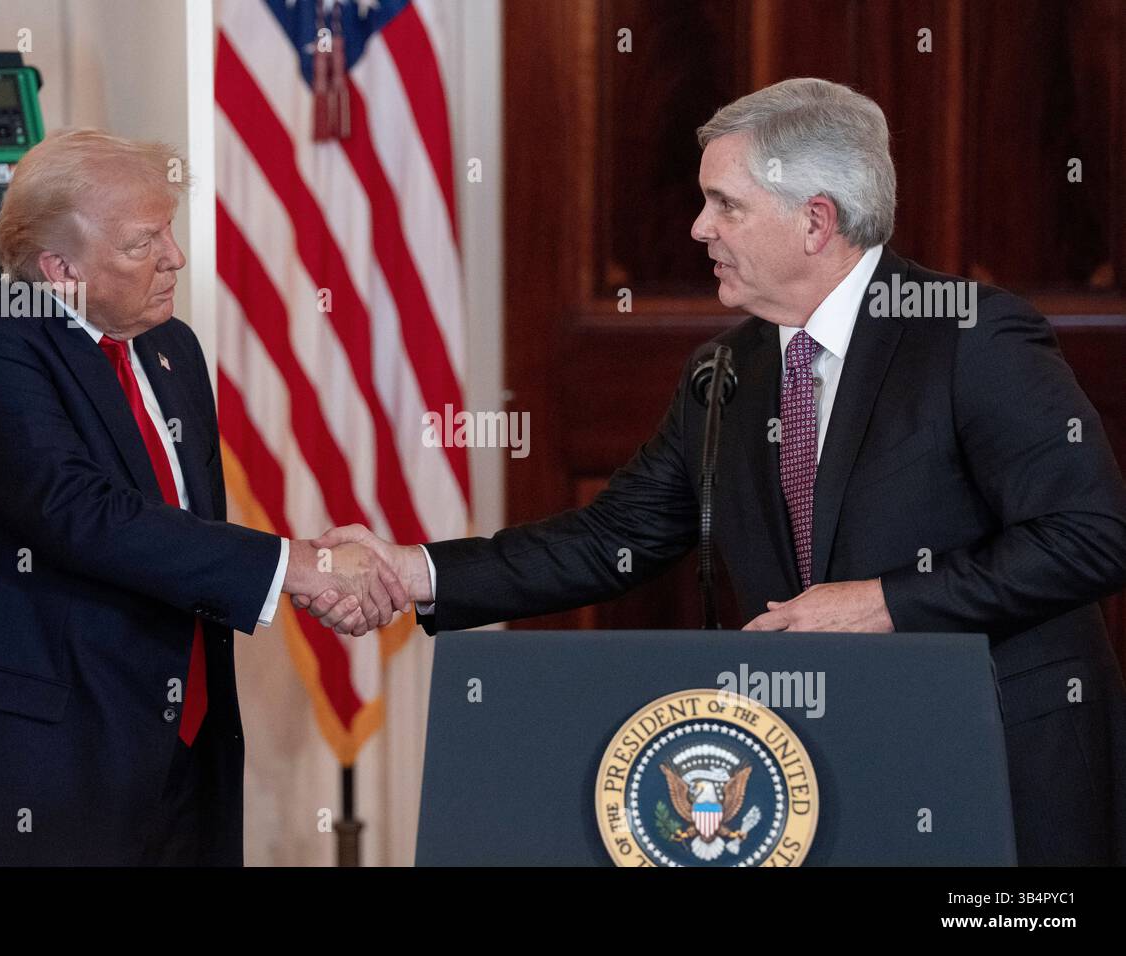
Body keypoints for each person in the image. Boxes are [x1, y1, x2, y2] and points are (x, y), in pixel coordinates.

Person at [297, 79, 1126, 866]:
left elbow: (1092, 536)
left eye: (726, 204)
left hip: (1001, 764)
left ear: (815, 221)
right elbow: (610, 539)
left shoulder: (970, 336)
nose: (699, 228)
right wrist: (413, 571)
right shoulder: (726, 372)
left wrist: (882, 603)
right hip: (836, 772)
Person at [0, 129, 406, 866]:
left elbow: (178, 539)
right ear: (60, 269)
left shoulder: (173, 349)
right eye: (144, 243)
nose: (176, 257)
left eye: (169, 230)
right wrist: (299, 568)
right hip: (19, 772)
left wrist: (301, 574)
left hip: (173, 759)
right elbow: (83, 514)